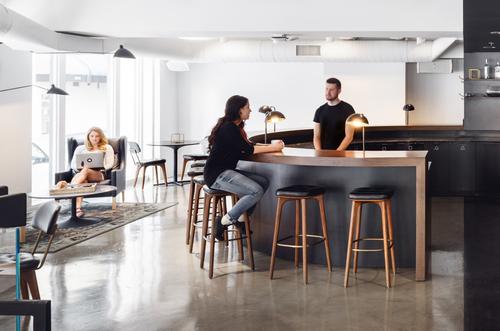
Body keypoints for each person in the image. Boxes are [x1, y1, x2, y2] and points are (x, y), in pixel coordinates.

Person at [204, 95, 284, 239]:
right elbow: (249, 150)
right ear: (239, 110)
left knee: (263, 181)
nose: (250, 110)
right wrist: (273, 147)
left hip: (226, 171)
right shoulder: (229, 128)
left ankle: (241, 218)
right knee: (256, 191)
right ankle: (223, 221)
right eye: (247, 107)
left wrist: (269, 146)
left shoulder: (235, 127)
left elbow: (246, 146)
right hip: (217, 175)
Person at [71, 127, 115, 217]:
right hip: (82, 173)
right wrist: (81, 168)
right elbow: (73, 165)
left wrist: (100, 165)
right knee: (83, 180)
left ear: (101, 137)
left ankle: (71, 189)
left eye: (97, 136)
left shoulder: (107, 147)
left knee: (85, 171)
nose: (94, 138)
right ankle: (77, 209)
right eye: (92, 136)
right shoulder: (80, 149)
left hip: (99, 173)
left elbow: (110, 164)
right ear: (88, 137)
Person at [313, 77, 356, 150]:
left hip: (343, 155)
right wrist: (319, 152)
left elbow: (349, 137)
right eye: (326, 89)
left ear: (339, 91)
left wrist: (336, 153)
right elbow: (316, 136)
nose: (328, 92)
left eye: (331, 90)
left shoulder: (348, 109)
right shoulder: (319, 110)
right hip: (323, 155)